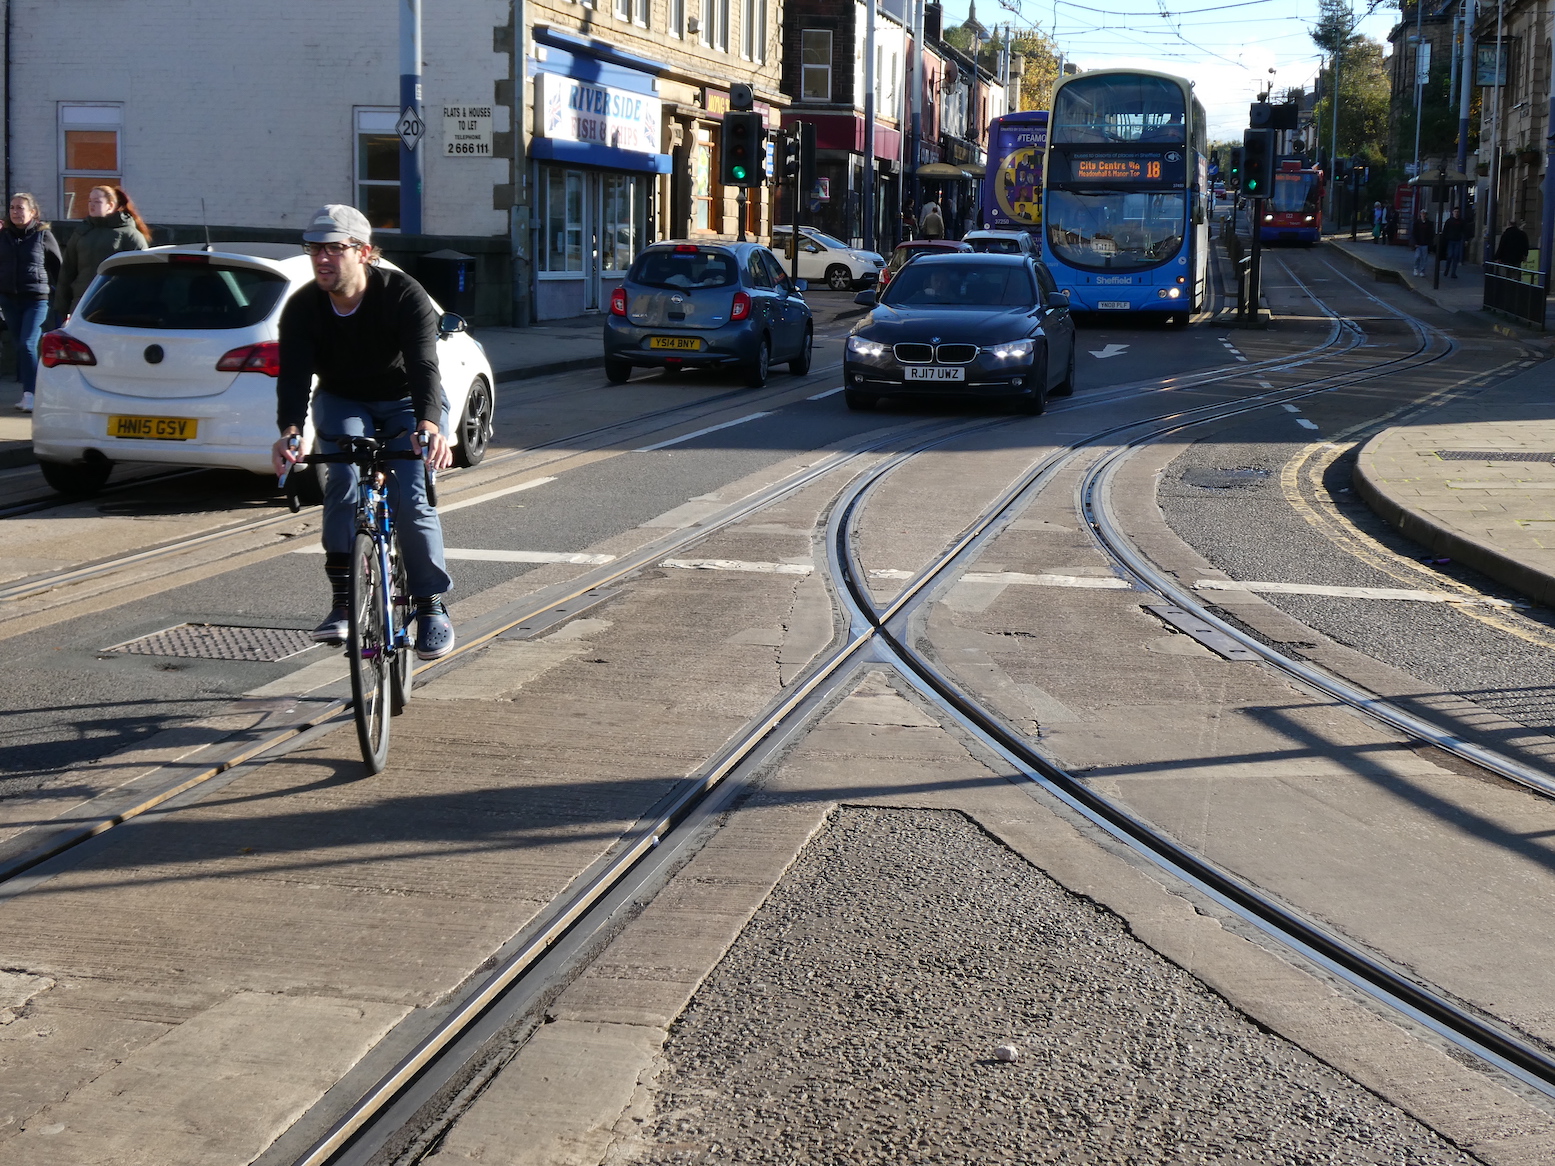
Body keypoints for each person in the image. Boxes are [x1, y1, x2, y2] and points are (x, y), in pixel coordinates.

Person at [271, 204, 456, 659]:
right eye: (315, 248)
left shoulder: (402, 294)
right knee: (341, 485)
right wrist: (290, 431)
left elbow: (424, 365)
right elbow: (294, 377)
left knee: (410, 491)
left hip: (406, 398)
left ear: (365, 252)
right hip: (342, 398)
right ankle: (342, 604)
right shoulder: (302, 307)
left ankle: (432, 604)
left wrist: (430, 425)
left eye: (335, 248)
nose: (322, 259)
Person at [0, 193, 61, 413]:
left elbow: (58, 269)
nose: (16, 212)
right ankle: (34, 390)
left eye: (21, 208)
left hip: (36, 299)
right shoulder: (4, 236)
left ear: (33, 212)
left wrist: (63, 301)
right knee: (20, 347)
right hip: (9, 299)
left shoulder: (42, 235)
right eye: (13, 208)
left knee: (27, 344)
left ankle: (32, 394)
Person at [53, 185, 149, 319]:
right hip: (81, 303)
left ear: (110, 205)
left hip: (114, 305)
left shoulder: (130, 235)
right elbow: (67, 271)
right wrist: (62, 307)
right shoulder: (82, 232)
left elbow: (142, 276)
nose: (91, 205)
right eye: (90, 201)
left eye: (97, 202)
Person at [1438, 207, 1467, 278]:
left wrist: (1465, 240)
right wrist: (1443, 240)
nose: (1456, 213)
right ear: (1452, 212)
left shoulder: (1461, 221)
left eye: (1457, 212)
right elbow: (1445, 231)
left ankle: (1453, 273)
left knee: (1455, 257)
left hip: (1457, 241)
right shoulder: (1449, 221)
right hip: (1450, 241)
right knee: (1450, 256)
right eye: (1455, 211)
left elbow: (1464, 231)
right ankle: (1447, 269)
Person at [1410, 211, 1434, 276]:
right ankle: (1416, 269)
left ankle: (1422, 271)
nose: (1423, 215)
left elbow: (1431, 234)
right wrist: (1415, 243)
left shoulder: (1429, 223)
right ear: (1420, 214)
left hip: (1425, 243)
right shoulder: (1416, 223)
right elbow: (1413, 233)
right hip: (1418, 243)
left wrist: (1430, 243)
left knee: (1424, 258)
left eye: (1425, 214)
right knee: (1417, 257)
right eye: (1422, 214)